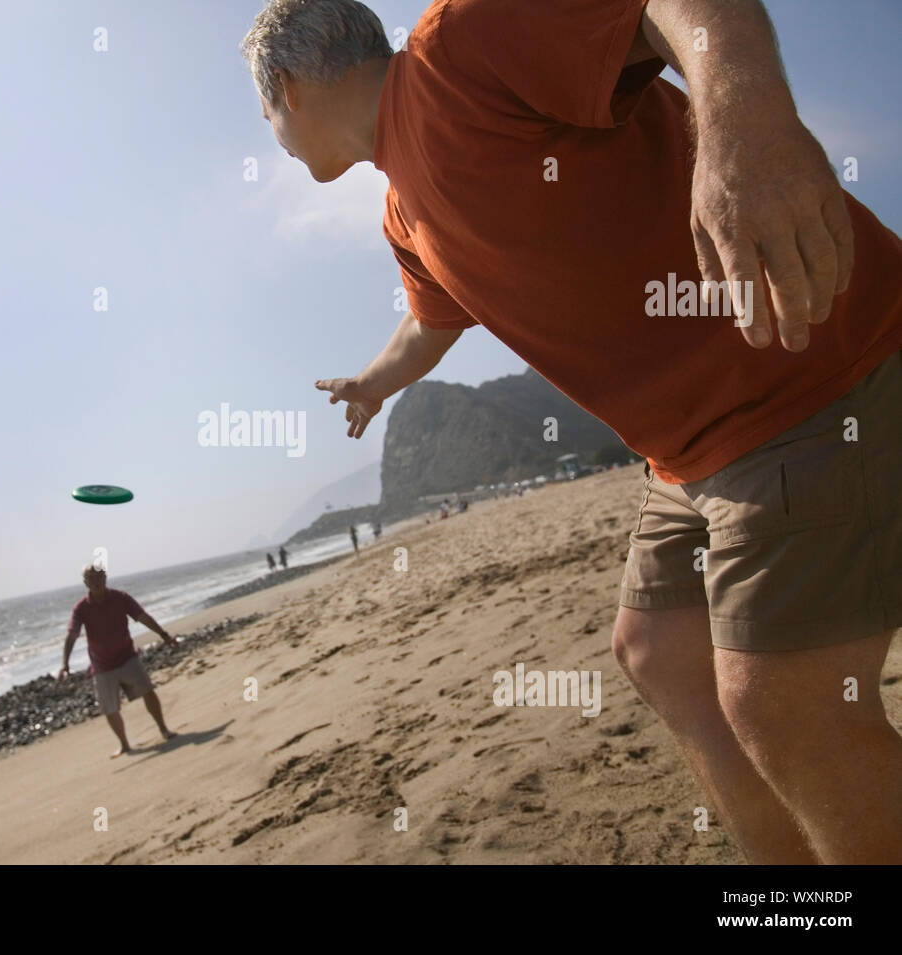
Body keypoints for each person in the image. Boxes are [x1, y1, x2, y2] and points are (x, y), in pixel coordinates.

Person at [243, 0, 902, 863]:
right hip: (687, 458)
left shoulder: (459, 45)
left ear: (285, 88)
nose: (276, 140)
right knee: (661, 653)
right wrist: (374, 381)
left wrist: (750, 128)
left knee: (778, 699)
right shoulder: (404, 217)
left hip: (809, 373)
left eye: (266, 118)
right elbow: (428, 326)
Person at [59, 564, 178, 757]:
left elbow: (143, 617)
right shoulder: (81, 608)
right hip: (102, 665)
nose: (96, 582)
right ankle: (124, 744)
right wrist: (65, 663)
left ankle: (164, 729)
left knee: (148, 691)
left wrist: (164, 635)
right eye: (91, 579)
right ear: (85, 583)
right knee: (109, 708)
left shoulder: (121, 598)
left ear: (105, 578)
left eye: (99, 578)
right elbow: (72, 635)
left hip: (127, 657)